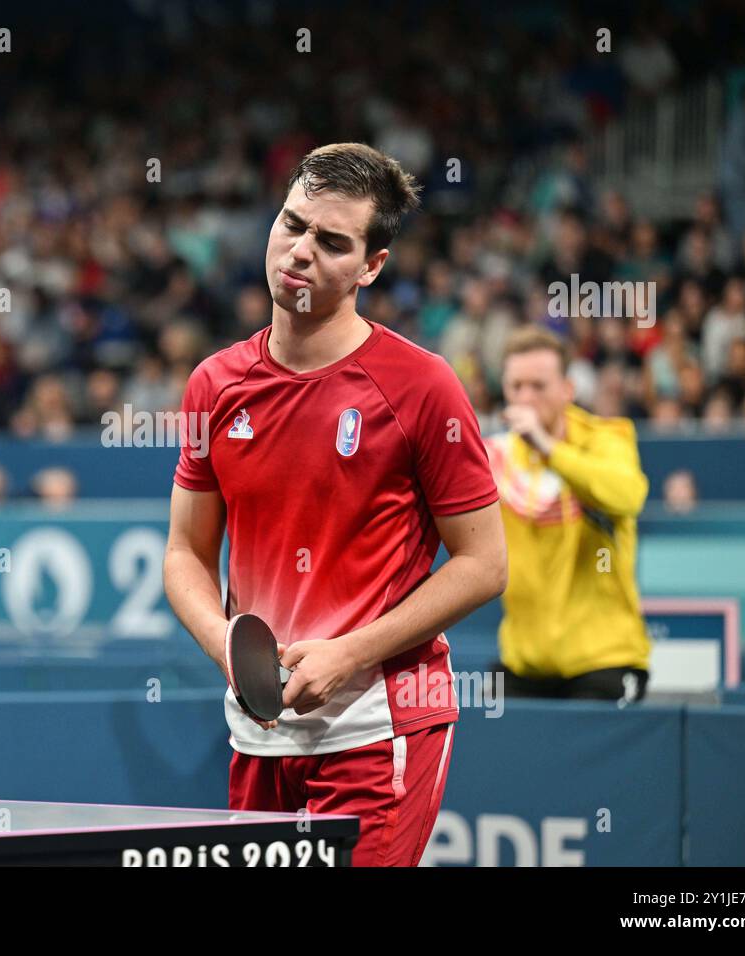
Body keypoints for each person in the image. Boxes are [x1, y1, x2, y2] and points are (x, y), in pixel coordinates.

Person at [164, 143, 506, 867]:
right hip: (257, 726)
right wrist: (230, 651)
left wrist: (348, 654)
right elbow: (185, 553)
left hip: (379, 724)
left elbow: (484, 565)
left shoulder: (423, 387)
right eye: (292, 225)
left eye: (331, 241)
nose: (300, 252)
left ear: (371, 266)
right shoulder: (213, 385)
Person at [485, 326, 650, 703]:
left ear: (567, 390)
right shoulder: (496, 458)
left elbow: (628, 494)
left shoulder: (608, 439)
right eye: (516, 387)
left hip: (605, 661)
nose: (525, 398)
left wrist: (547, 449)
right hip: (524, 663)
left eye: (538, 386)